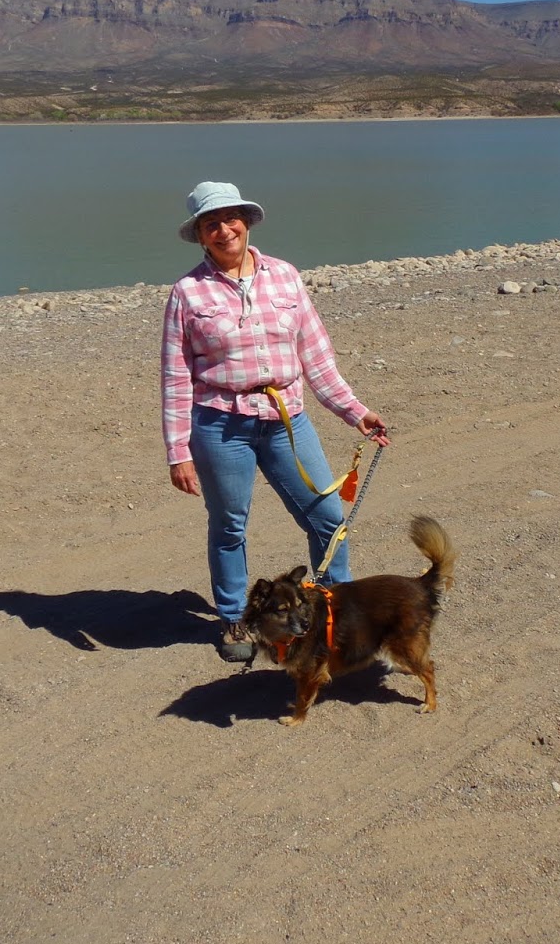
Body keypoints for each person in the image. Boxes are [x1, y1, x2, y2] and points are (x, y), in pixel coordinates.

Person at [162, 181, 390, 663]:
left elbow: (318, 359)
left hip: (288, 420)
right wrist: (178, 450)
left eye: (231, 219)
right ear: (201, 236)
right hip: (221, 424)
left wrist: (357, 412)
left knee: (328, 518)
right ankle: (233, 620)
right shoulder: (187, 292)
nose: (224, 231)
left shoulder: (285, 276)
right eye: (211, 225)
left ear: (247, 221)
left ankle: (334, 608)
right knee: (229, 525)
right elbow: (176, 377)